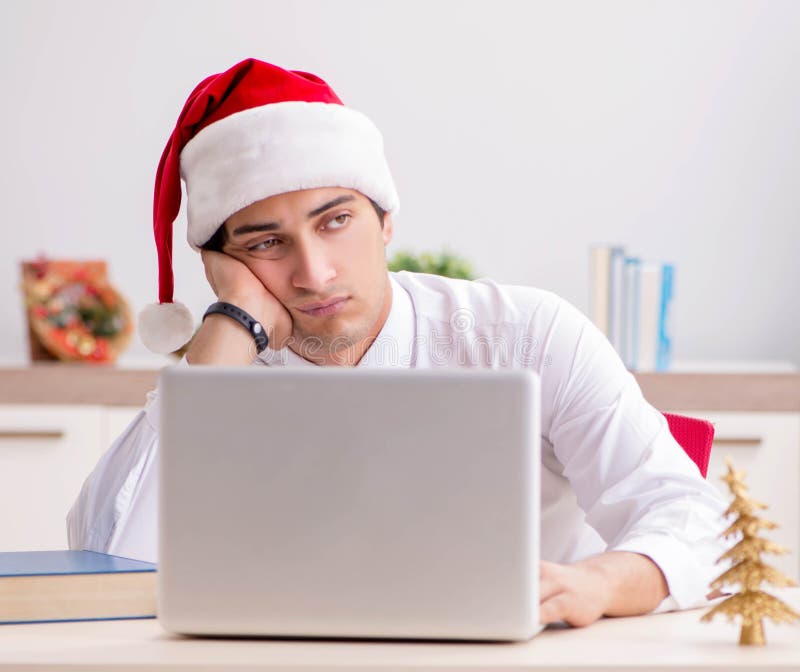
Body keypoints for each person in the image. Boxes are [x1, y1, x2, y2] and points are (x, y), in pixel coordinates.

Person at [67, 58, 727, 628]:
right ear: (222, 263)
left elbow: (687, 515)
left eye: (338, 220)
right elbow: (110, 566)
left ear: (386, 220)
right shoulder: (233, 360)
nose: (314, 273)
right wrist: (229, 328)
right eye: (265, 242)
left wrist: (600, 584)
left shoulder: (526, 334)